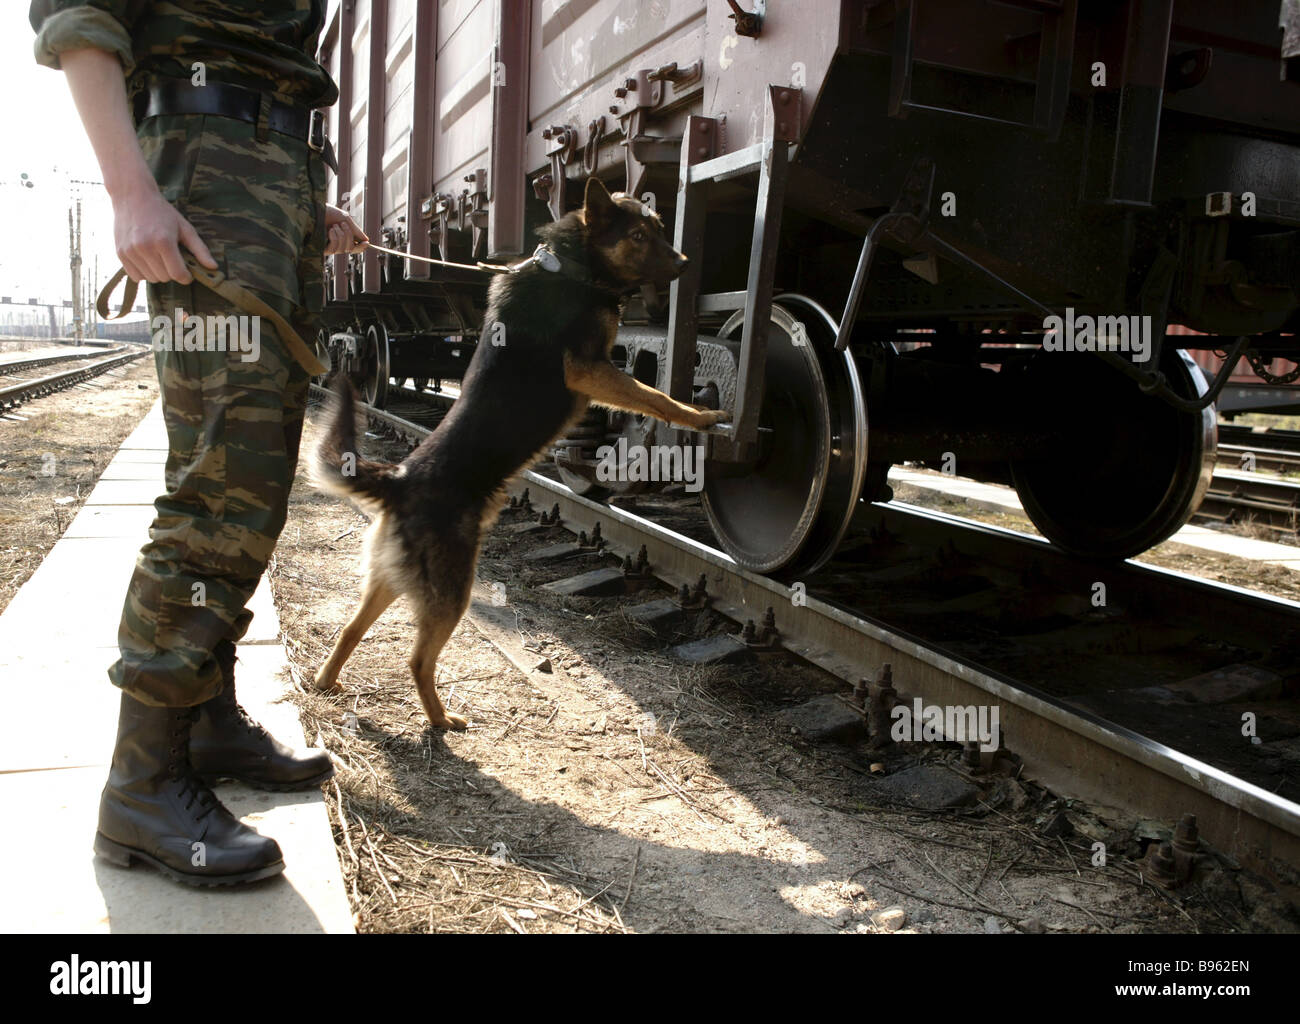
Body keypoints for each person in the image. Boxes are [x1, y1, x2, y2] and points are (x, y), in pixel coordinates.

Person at [31, 0, 367, 887]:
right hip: (206, 172)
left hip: (269, 177)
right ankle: (141, 787)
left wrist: (302, 196)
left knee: (251, 484)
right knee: (219, 489)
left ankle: (207, 721)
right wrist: (128, 188)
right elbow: (79, 16)